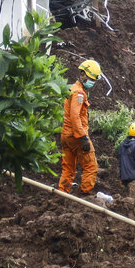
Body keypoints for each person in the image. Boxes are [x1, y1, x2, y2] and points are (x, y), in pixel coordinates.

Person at [59, 59, 102, 195]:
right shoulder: (79, 93)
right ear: (82, 74)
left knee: (68, 169)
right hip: (76, 136)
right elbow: (75, 116)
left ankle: (62, 194)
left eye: (94, 80)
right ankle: (85, 194)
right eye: (91, 79)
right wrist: (83, 137)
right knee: (91, 166)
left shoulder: (73, 89)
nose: (92, 82)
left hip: (66, 136)